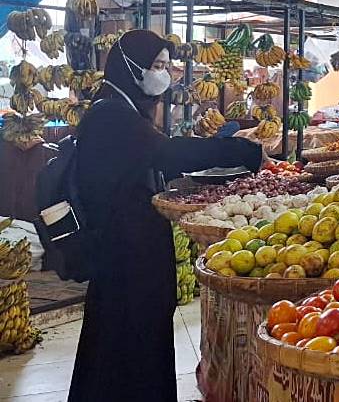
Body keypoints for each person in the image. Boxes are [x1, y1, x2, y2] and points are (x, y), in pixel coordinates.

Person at [68, 30, 262, 402]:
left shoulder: (122, 109)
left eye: (166, 66)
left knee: (131, 338)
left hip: (131, 248)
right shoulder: (111, 116)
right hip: (124, 252)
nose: (164, 74)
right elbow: (170, 154)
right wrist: (242, 152)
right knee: (128, 338)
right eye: (156, 66)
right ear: (129, 67)